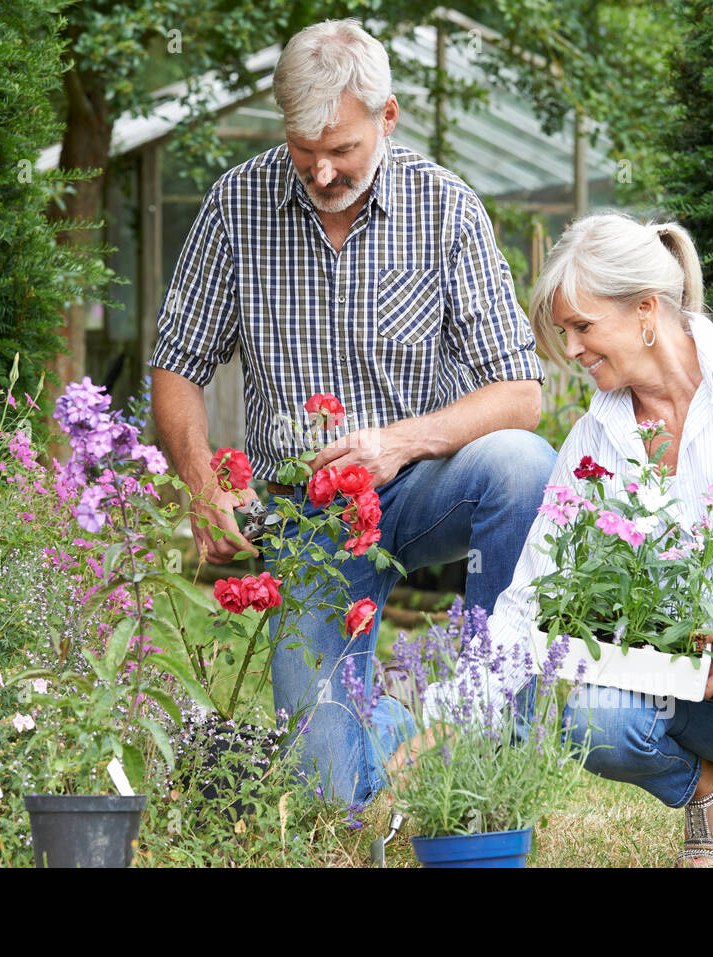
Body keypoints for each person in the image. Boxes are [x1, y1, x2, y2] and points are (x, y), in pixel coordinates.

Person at [398, 211, 713, 867]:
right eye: (563, 332)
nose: (570, 349)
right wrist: (437, 720)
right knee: (573, 701)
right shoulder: (595, 439)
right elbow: (527, 599)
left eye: (581, 326)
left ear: (645, 311)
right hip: (702, 696)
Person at [150, 18, 557, 805]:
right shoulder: (238, 203)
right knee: (328, 791)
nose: (323, 171)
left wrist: (400, 443)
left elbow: (522, 393)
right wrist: (201, 481)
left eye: (342, 149)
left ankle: (499, 743)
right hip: (308, 518)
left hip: (426, 483)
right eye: (305, 152)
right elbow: (177, 364)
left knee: (522, 467)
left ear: (388, 118)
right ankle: (397, 726)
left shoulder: (446, 208)